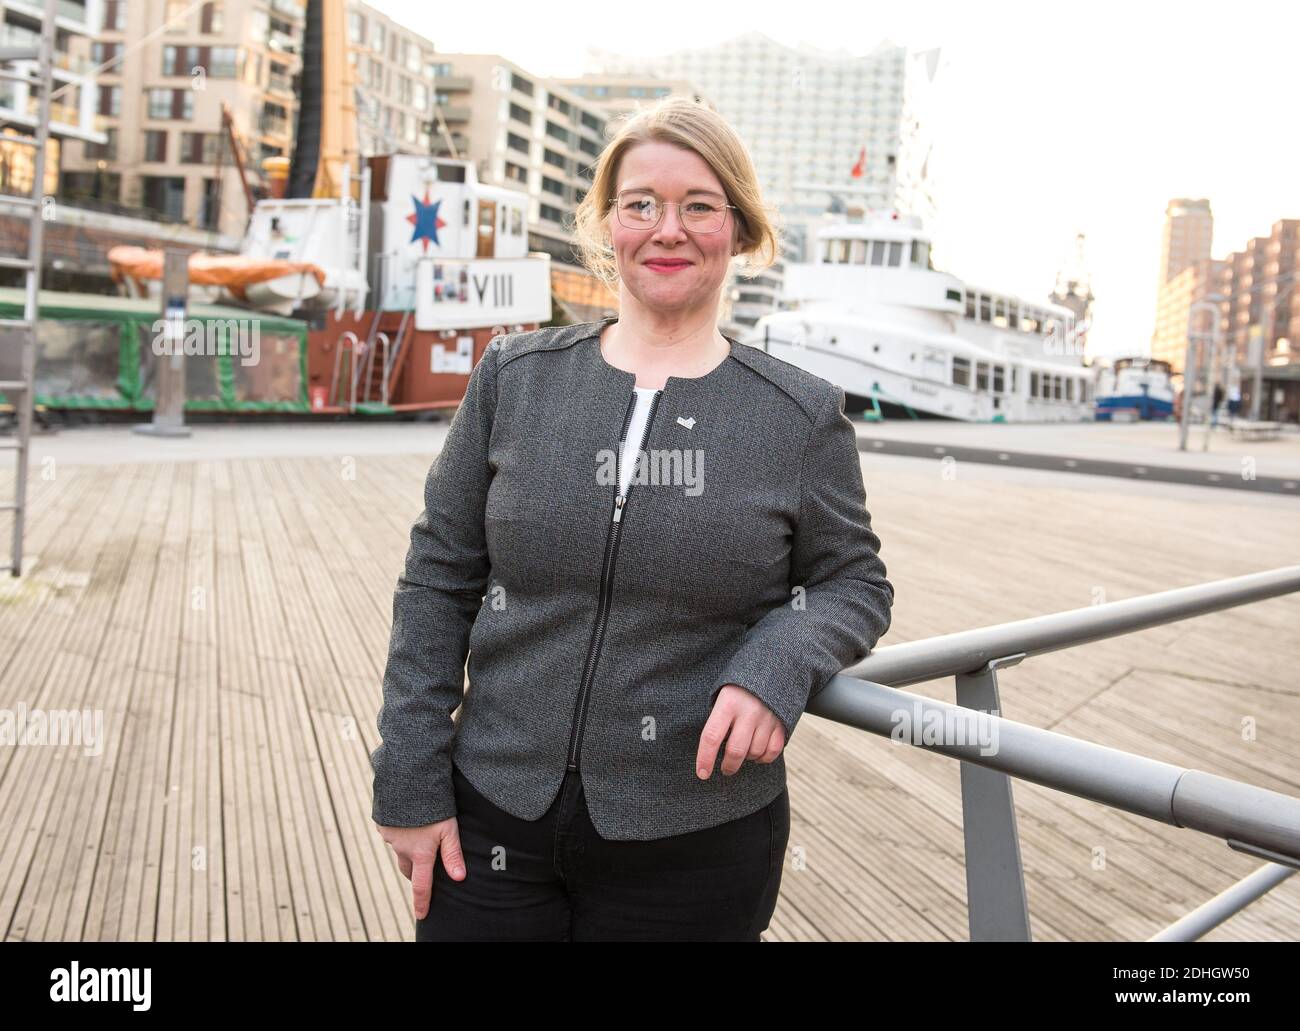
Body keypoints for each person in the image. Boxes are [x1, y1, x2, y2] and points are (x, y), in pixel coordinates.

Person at [370, 96, 895, 941]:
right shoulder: (515, 376)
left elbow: (853, 580)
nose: (667, 228)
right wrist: (409, 779)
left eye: (699, 206)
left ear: (741, 230)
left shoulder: (799, 417)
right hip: (491, 815)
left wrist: (779, 659)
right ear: (608, 224)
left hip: (693, 840)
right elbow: (438, 575)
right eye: (641, 203)